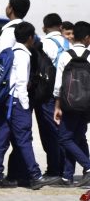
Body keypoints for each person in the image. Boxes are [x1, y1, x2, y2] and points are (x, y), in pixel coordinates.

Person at [0, 22, 54, 190]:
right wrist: (25, 106)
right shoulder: (24, 55)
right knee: (24, 139)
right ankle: (35, 175)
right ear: (31, 37)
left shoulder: (11, 52)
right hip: (18, 101)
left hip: (7, 100)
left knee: (2, 138)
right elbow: (21, 82)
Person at [53, 20, 90, 187]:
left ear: (73, 36)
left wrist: (57, 106)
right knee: (77, 137)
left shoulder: (65, 55)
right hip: (87, 105)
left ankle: (88, 167)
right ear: (87, 38)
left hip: (69, 103)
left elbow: (58, 85)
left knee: (64, 138)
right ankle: (67, 176)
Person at [36, 13, 69, 181]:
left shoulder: (44, 44)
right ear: (61, 26)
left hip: (47, 95)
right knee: (62, 130)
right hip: (67, 94)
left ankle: (53, 170)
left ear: (44, 27)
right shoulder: (67, 43)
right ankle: (64, 169)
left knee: (49, 133)